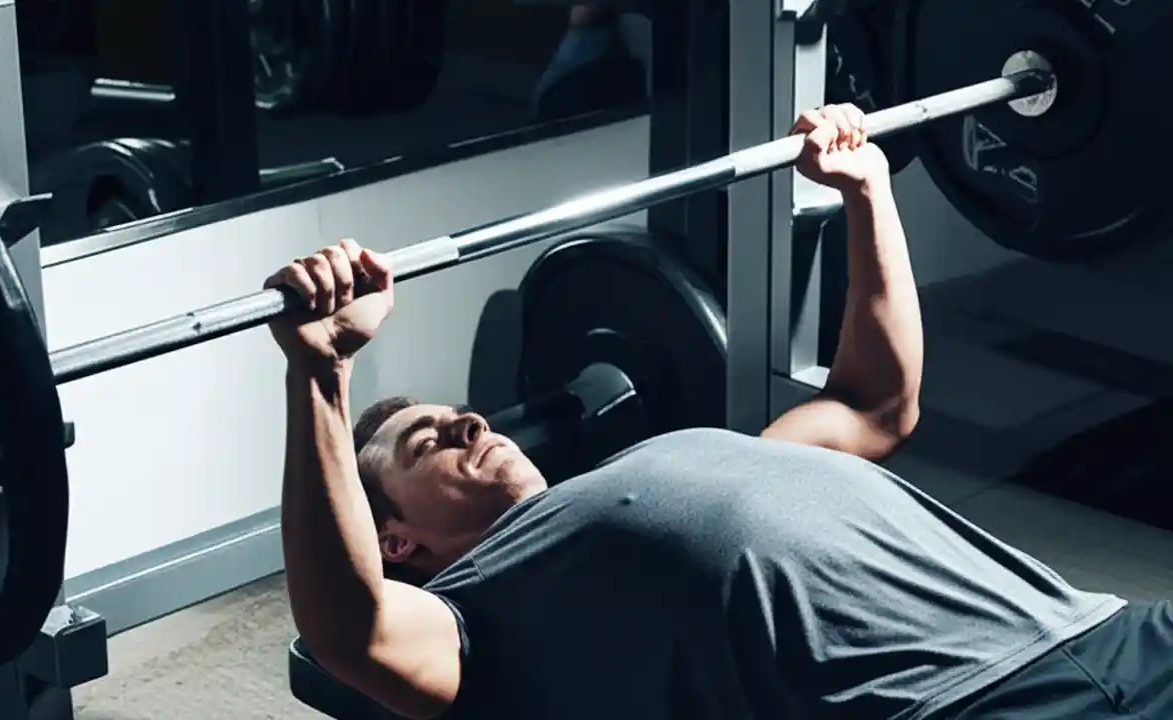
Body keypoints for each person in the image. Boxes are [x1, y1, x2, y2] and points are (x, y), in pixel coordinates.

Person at [264, 104, 1173, 719]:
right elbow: (354, 632)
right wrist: (323, 368)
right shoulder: (476, 616)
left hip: (1109, 627)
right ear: (398, 543)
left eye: (464, 415)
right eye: (428, 441)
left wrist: (867, 193)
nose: (471, 424)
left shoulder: (702, 455)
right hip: (975, 705)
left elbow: (874, 404)